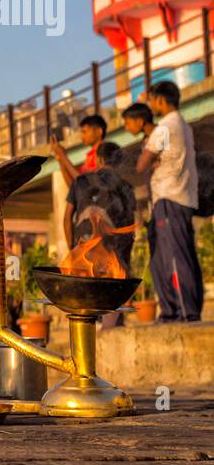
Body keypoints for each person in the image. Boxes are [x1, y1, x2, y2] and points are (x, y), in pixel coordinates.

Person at [137, 81, 202, 322]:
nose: (151, 105)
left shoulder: (165, 126)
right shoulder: (183, 124)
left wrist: (149, 161)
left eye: (152, 100)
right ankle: (186, 310)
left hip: (168, 196)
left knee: (174, 256)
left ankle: (182, 311)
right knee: (184, 253)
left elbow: (142, 163)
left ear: (161, 101)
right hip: (182, 196)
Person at [64, 141, 137, 329]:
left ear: (98, 159)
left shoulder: (79, 181)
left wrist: (72, 249)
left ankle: (87, 340)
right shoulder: (126, 187)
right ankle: (109, 335)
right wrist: (124, 258)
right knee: (111, 303)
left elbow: (66, 218)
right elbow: (129, 226)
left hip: (83, 249)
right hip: (113, 251)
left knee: (86, 305)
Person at [51, 113, 107, 186]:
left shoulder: (105, 151)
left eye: (85, 132)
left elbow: (82, 183)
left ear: (99, 131)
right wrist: (61, 160)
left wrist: (63, 156)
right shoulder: (91, 155)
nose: (82, 137)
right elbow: (74, 186)